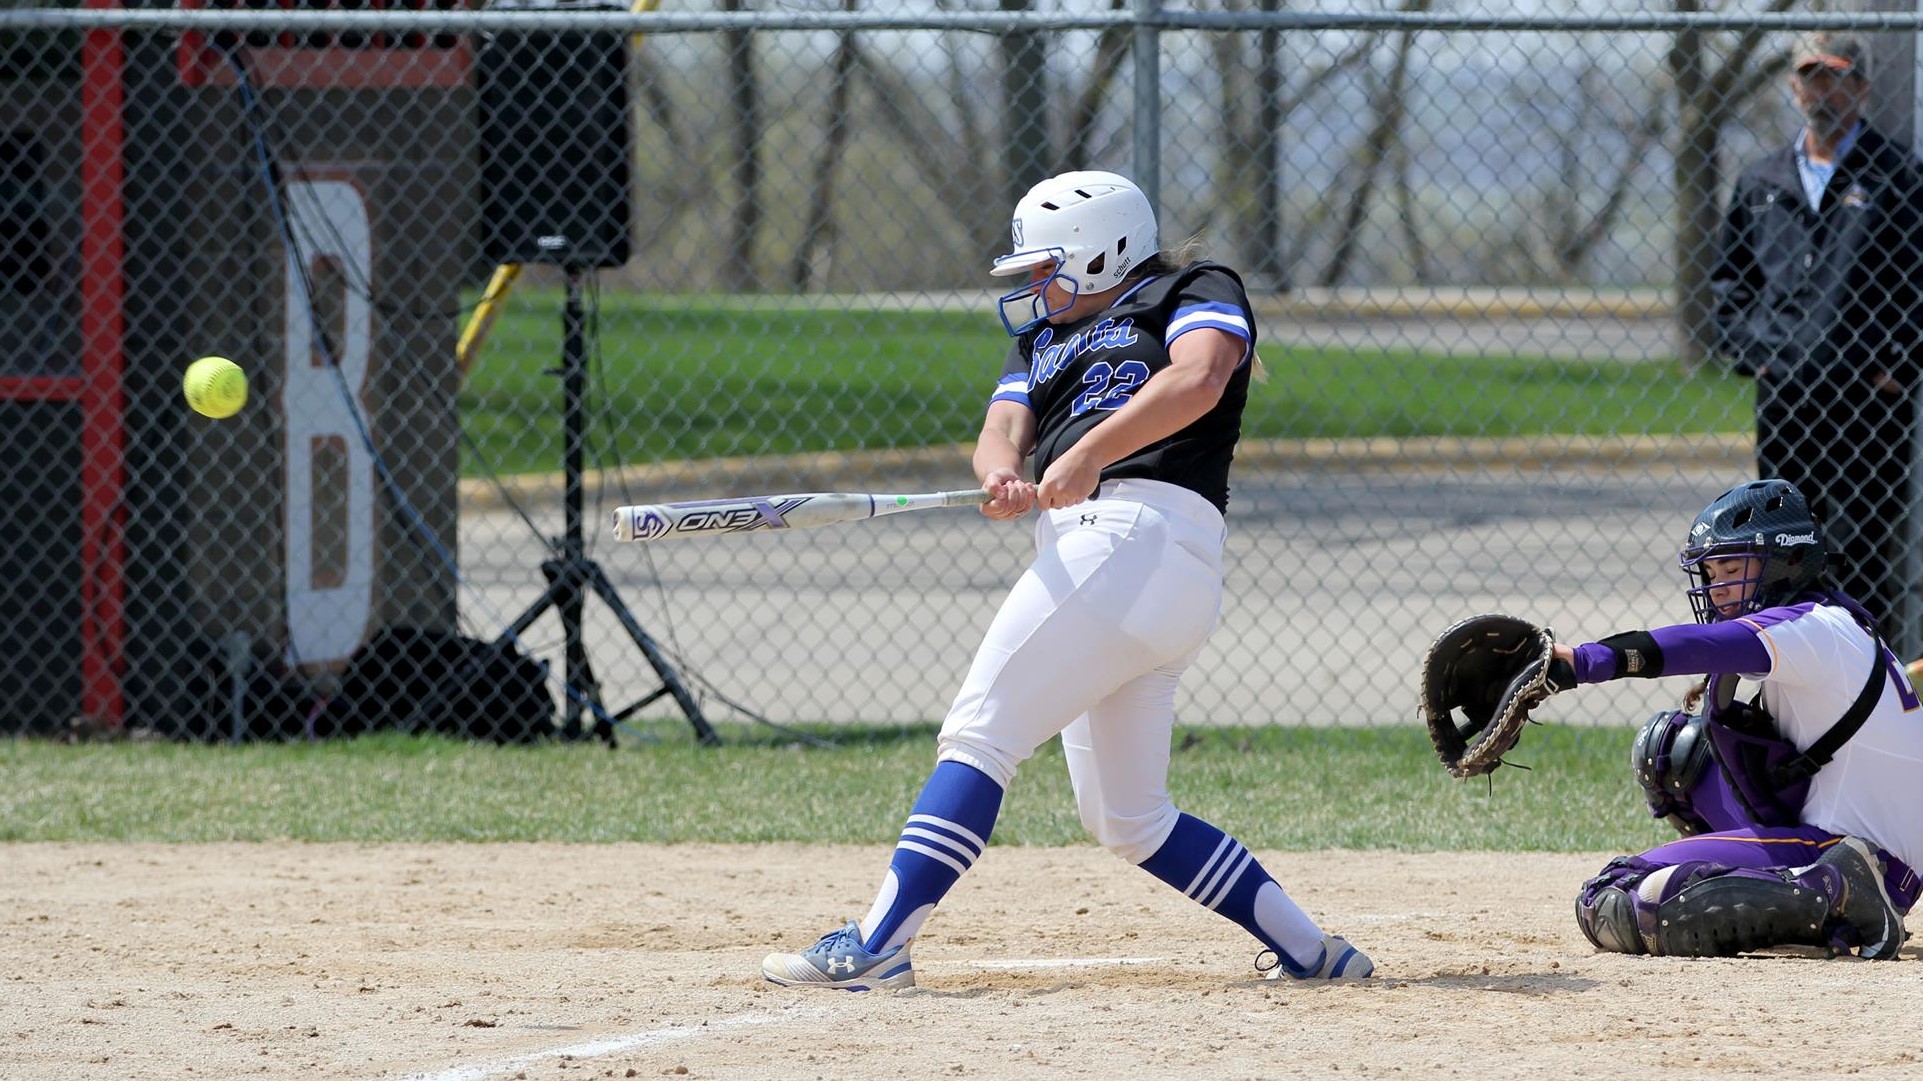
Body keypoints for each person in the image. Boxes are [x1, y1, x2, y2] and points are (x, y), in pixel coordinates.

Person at [760, 169, 1372, 989]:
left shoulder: (1191, 286)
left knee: (979, 734)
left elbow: (1199, 377)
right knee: (1129, 817)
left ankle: (878, 943)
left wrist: (1085, 454)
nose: (1032, 285)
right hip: (1122, 568)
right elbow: (999, 428)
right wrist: (1004, 474)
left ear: (1101, 249)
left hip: (1136, 537)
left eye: (1045, 265)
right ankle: (1314, 951)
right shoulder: (1041, 340)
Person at [1543, 479, 1920, 959]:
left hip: (1859, 851)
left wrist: (1580, 662)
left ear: (1786, 561)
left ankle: (1836, 893)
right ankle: (1822, 889)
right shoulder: (1832, 625)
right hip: (1866, 846)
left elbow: (1695, 645)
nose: (1718, 588)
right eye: (1712, 572)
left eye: (1733, 568)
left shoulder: (1810, 628)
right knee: (1673, 750)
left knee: (1614, 896)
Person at [1709, 31, 1923, 636]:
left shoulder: (1899, 176)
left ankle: (1862, 686)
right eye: (1810, 76)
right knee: (1781, 551)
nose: (1820, 90)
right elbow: (1730, 287)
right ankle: (1787, 677)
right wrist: (1761, 355)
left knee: (1862, 550)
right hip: (1787, 400)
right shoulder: (1762, 180)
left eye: (1835, 76)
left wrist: (1896, 366)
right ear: (1793, 86)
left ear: (1861, 87)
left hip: (1869, 403)